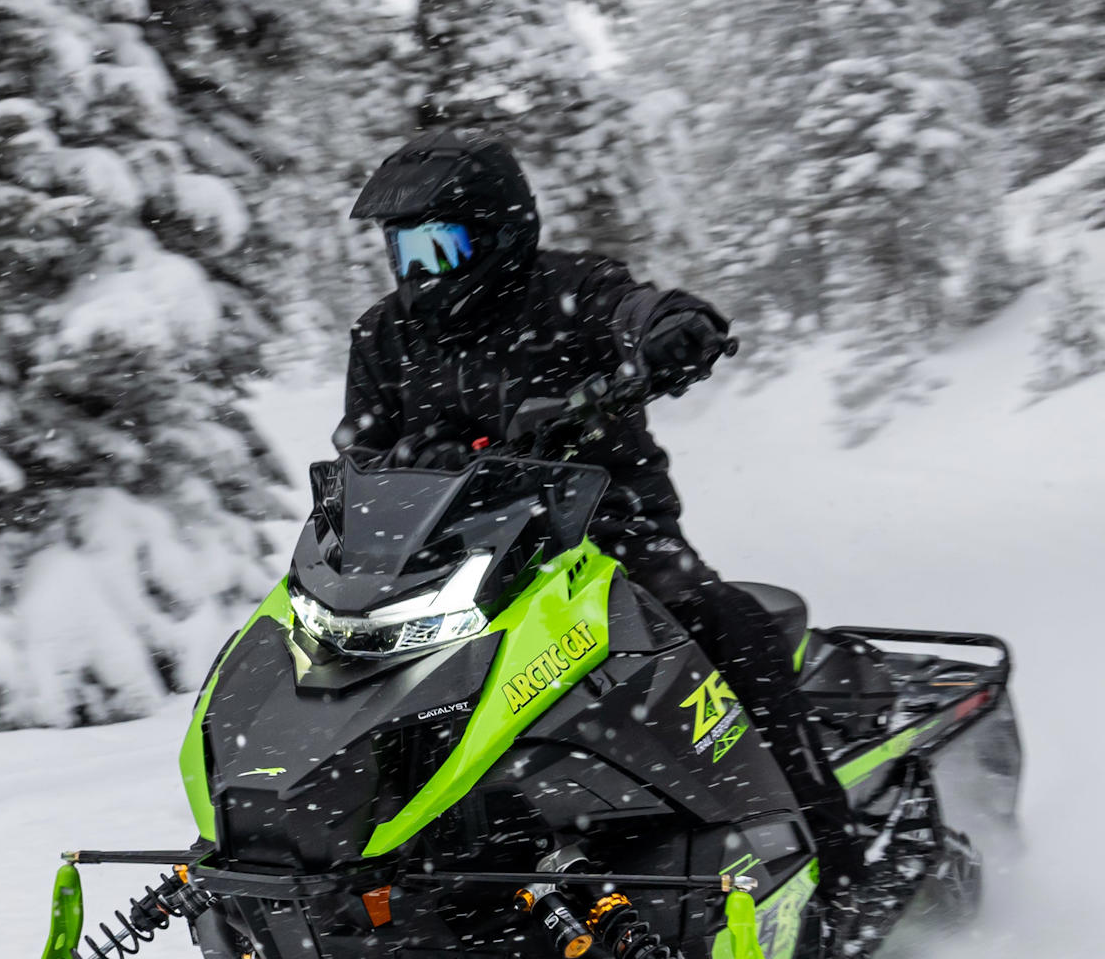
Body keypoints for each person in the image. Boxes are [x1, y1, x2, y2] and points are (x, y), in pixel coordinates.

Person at [335, 133, 859, 875]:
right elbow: (358, 453)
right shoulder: (383, 336)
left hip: (606, 540)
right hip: (450, 566)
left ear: (497, 233)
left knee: (722, 624)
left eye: (437, 247)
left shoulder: (567, 291)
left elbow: (633, 308)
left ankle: (837, 865)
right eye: (403, 251)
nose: (418, 272)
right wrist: (398, 466)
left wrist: (673, 328)